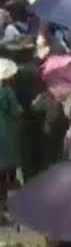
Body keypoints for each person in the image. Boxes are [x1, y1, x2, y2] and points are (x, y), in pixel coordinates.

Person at [0, 57, 18, 221]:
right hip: (5, 131)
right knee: (6, 169)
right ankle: (5, 203)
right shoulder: (7, 91)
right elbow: (16, 112)